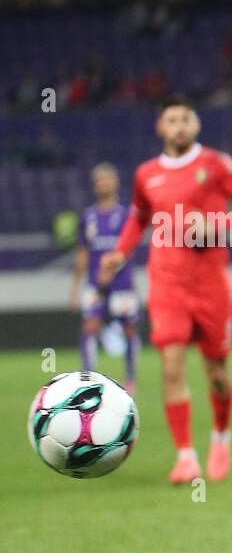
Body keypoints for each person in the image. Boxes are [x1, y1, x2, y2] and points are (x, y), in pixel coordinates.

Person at [99, 96, 232, 484]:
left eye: (185, 118)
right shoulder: (146, 174)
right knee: (171, 366)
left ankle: (220, 438)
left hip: (210, 285)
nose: (179, 126)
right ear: (160, 126)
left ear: (196, 124)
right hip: (167, 283)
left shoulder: (216, 164)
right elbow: (139, 217)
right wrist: (119, 253)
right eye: (172, 120)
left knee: (216, 371)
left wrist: (216, 225)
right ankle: (186, 456)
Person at [71, 163, 140, 393]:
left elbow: (129, 247)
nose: (103, 183)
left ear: (116, 182)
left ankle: (130, 378)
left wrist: (112, 269)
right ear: (94, 186)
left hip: (122, 282)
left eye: (107, 179)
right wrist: (75, 288)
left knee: (129, 327)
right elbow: (83, 252)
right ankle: (87, 377)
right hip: (94, 282)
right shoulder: (88, 216)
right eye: (99, 180)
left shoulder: (125, 214)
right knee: (89, 325)